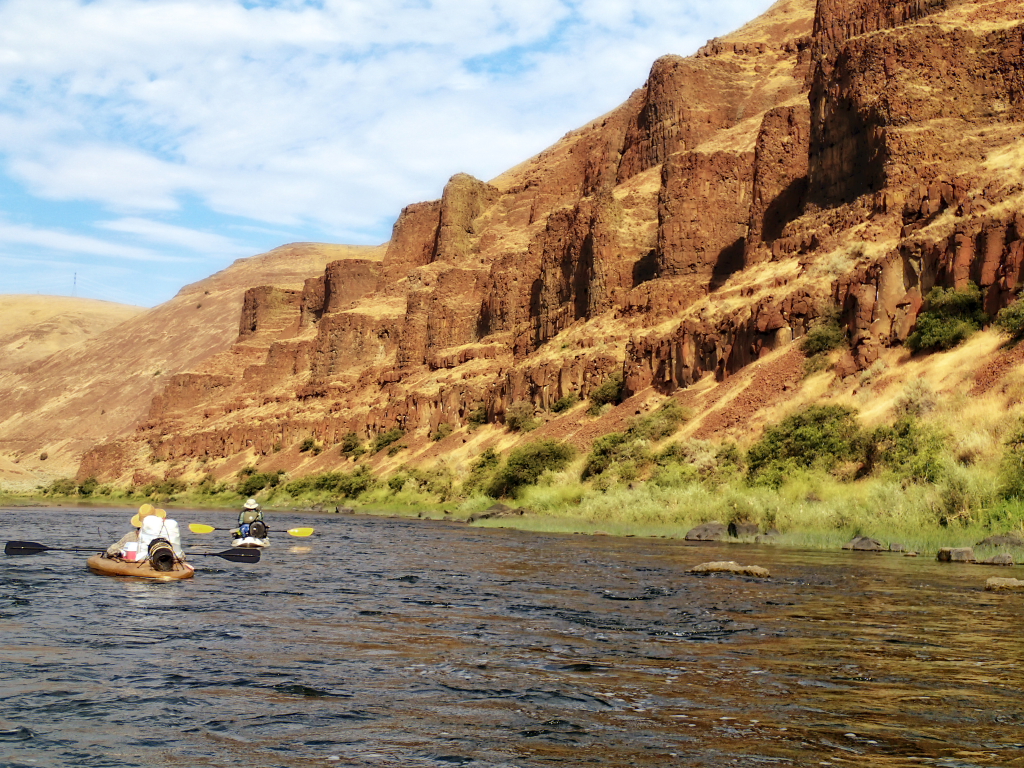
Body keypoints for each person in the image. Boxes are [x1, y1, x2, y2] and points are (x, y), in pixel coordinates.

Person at [106, 504, 185, 564]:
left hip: (140, 566)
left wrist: (120, 552)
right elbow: (182, 556)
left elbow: (110, 551)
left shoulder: (131, 536)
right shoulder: (166, 535)